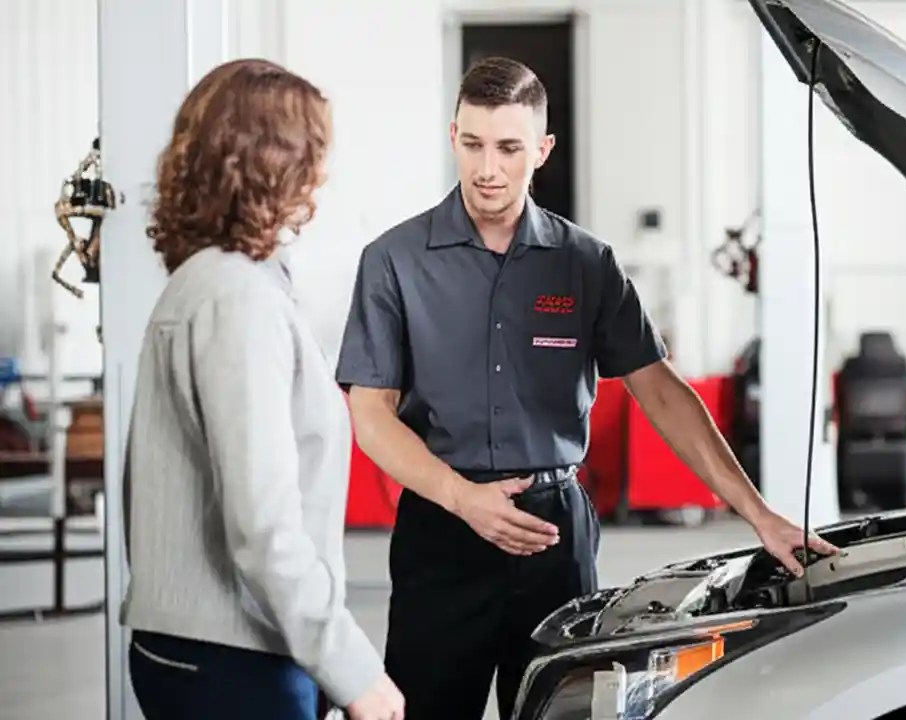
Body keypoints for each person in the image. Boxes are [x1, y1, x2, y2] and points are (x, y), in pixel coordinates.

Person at [337, 56, 838, 720]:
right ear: (452, 135)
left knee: (564, 712)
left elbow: (661, 391)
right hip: (442, 533)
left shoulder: (586, 264)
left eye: (510, 148)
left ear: (541, 150)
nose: (489, 168)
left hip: (555, 541)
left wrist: (759, 514)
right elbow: (370, 414)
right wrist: (464, 499)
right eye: (474, 144)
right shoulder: (393, 261)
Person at [118, 58, 404, 720]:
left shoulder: (208, 281)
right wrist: (353, 671)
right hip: (232, 653)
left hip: (199, 648)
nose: (322, 175)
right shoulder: (237, 298)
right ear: (274, 163)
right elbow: (264, 524)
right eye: (313, 154)